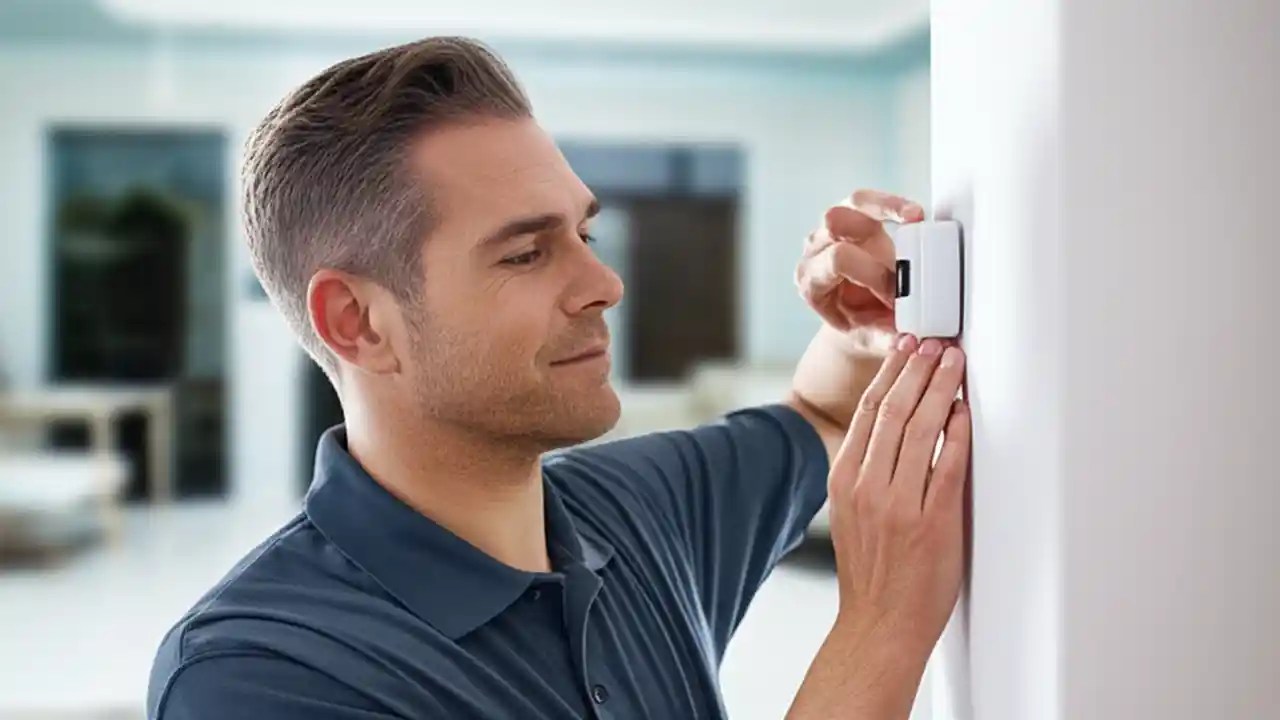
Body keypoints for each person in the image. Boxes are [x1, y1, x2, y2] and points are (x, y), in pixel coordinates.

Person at [147, 36, 970, 720]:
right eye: (526, 252)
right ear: (357, 322)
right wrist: (882, 629)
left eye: (584, 234)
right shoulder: (255, 676)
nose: (605, 285)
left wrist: (866, 329)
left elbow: (819, 411)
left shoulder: (641, 511)